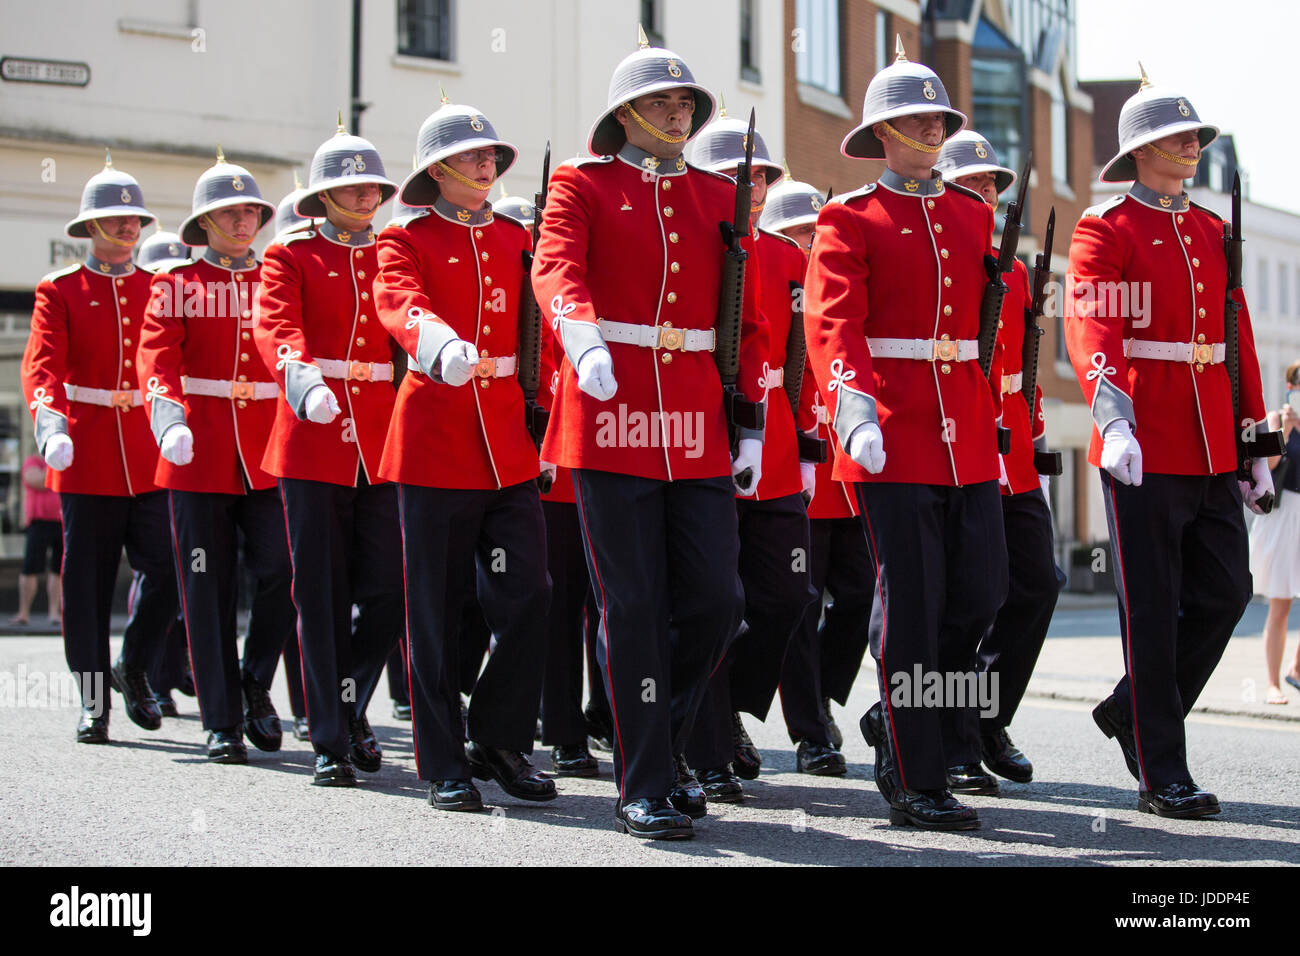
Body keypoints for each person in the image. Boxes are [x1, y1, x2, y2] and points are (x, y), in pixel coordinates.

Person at [531, 30, 767, 839]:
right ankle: (646, 782)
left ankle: (657, 741)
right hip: (609, 415)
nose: (679, 110)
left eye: (686, 101)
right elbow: (554, 267)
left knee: (715, 601)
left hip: (696, 419)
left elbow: (743, 321)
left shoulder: (715, 195)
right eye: (663, 100)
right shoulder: (583, 185)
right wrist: (581, 335)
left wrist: (753, 425)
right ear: (627, 112)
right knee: (631, 607)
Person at [804, 39, 1007, 831]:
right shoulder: (848, 217)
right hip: (889, 428)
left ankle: (902, 722)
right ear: (883, 133)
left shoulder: (970, 213)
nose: (930, 126)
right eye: (914, 117)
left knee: (985, 589)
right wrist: (852, 405)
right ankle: (918, 769)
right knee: (912, 601)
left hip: (963, 429)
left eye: (937, 115)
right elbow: (832, 324)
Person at [1066, 67, 1270, 818]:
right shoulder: (1105, 228)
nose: (1191, 145)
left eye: (1193, 135)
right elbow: (1092, 322)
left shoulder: (1214, 230)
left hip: (1213, 439)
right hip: (1143, 440)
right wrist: (1110, 413)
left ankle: (1131, 710)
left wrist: (1255, 442)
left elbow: (1235, 336)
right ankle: (1163, 773)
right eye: (1177, 136)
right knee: (1150, 609)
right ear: (1142, 149)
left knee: (1225, 593)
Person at [374, 96, 555, 812]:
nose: (488, 164)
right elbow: (398, 298)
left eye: (491, 156)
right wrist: (435, 340)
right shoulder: (406, 236)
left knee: (529, 592)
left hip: (506, 442)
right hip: (434, 443)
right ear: (440, 168)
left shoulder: (517, 234)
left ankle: (500, 735)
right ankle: (443, 760)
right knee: (436, 610)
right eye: (474, 156)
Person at [254, 121, 405, 786]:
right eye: (353, 185)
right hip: (311, 437)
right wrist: (303, 379)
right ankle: (330, 738)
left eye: (372, 183)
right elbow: (277, 326)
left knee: (391, 588)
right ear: (326, 195)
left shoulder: (393, 252)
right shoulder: (289, 256)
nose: (367, 194)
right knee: (319, 593)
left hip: (382, 440)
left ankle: (342, 702)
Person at [137, 150, 294, 764]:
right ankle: (221, 719)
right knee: (206, 587)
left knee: (283, 571)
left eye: (251, 209)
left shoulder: (274, 278)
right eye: (228, 212)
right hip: (197, 450)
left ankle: (255, 680)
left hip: (266, 451)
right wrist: (169, 417)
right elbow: (157, 360)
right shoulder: (174, 285)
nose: (243, 220)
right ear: (203, 222)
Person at [685, 111, 822, 796]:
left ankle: (724, 708)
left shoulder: (788, 255)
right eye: (739, 175)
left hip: (768, 445)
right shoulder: (691, 242)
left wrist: (801, 443)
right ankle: (707, 746)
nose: (755, 186)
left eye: (763, 174)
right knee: (713, 596)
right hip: (701, 434)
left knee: (786, 593)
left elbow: (796, 358)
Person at [22, 154, 180, 744]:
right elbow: (43, 370)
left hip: (147, 449)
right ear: (91, 227)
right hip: (85, 452)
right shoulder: (60, 289)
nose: (129, 228)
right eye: (115, 220)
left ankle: (134, 664)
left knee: (167, 569)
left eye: (134, 220)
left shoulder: (160, 289)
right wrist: (52, 426)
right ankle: (93, 702)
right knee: (85, 589)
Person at [935, 130, 1064, 788]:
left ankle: (985, 717)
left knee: (1038, 582)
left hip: (1011, 446)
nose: (987, 192)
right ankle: (953, 736)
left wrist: (1036, 433)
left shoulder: (1014, 270)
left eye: (992, 184)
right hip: (958, 442)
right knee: (970, 595)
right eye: (973, 183)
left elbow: (1023, 365)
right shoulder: (944, 260)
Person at [766, 175, 875, 763]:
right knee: (800, 603)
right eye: (799, 234)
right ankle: (809, 733)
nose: (810, 245)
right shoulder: (778, 287)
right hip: (798, 468)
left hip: (846, 469)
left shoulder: (838, 284)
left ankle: (824, 697)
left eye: (816, 233)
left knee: (860, 594)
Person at [1248, 360, 1300, 704]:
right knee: (1280, 605)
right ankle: (1273, 683)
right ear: (1290, 388)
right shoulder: (1278, 419)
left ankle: (1296, 668)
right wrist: (1284, 429)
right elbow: (1265, 469)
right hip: (1285, 515)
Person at [10, 454, 61, 627]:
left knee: (58, 570)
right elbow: (37, 481)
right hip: (38, 523)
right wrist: (56, 464)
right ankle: (23, 613)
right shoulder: (32, 462)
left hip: (61, 522)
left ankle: (54, 613)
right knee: (30, 568)